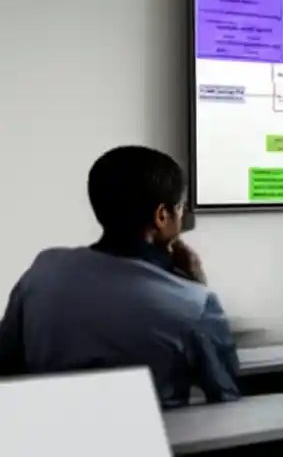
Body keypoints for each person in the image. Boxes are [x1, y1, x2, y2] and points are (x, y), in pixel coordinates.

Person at [0, 146, 238, 408]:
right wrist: (195, 285)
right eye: (180, 208)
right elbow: (226, 392)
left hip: (49, 438)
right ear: (162, 216)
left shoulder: (43, 270)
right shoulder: (194, 303)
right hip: (153, 443)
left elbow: (7, 365)